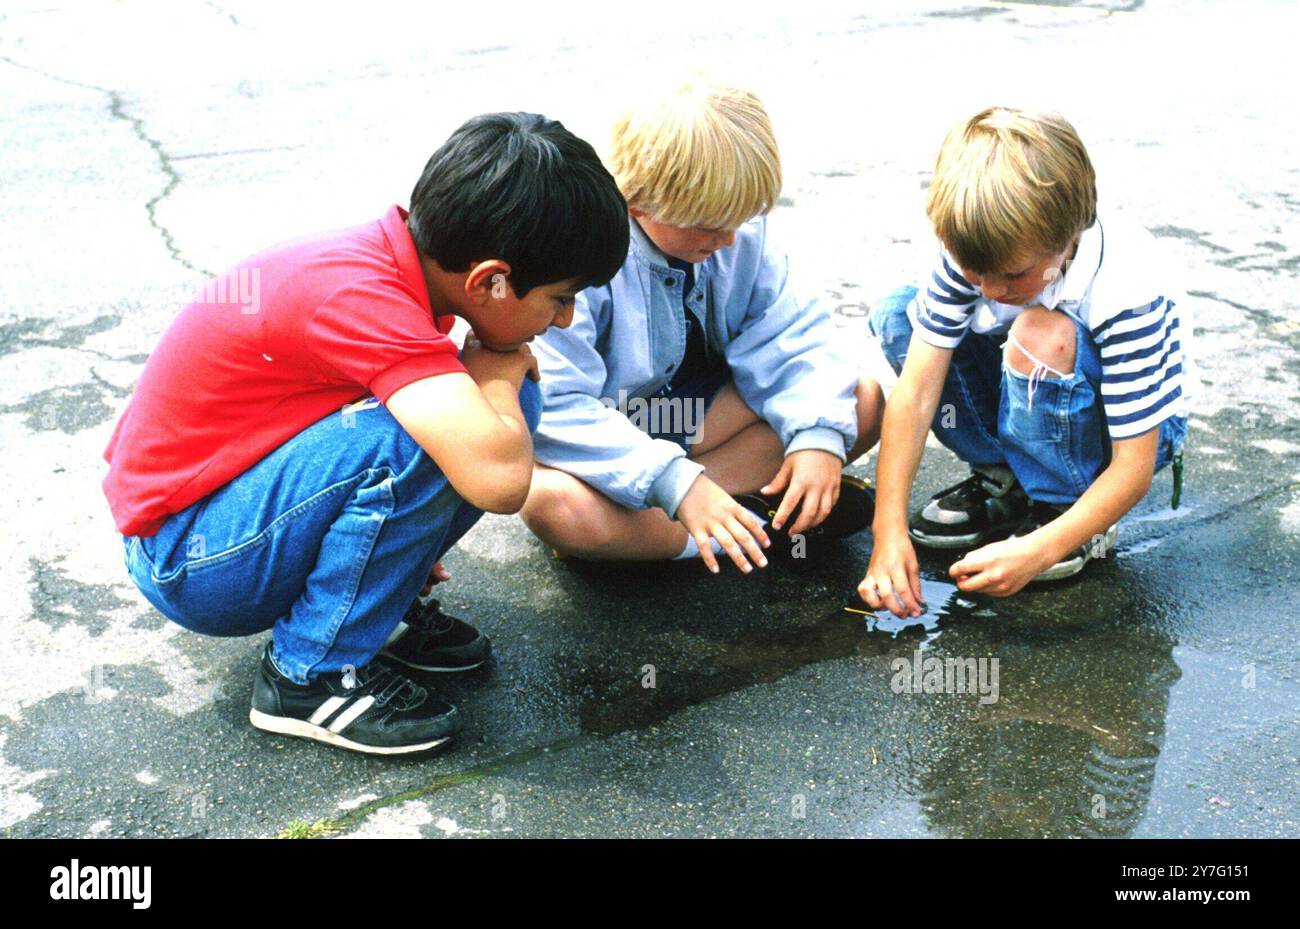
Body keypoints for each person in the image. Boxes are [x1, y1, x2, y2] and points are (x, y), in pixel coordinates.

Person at [102, 112, 629, 754]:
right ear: (489, 279)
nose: (567, 318)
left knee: (484, 414)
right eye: (561, 296)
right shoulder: (361, 295)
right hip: (189, 557)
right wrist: (491, 362)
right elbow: (499, 482)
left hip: (226, 514)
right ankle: (310, 673)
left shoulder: (396, 266)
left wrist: (389, 546)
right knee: (433, 439)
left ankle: (368, 611)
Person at [523, 79, 884, 575]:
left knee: (861, 402)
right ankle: (752, 526)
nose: (730, 238)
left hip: (701, 422)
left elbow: (796, 339)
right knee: (553, 505)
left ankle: (705, 524)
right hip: (617, 441)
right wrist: (675, 482)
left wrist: (817, 437)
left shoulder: (738, 235)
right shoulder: (581, 255)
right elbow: (554, 406)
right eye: (709, 226)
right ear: (637, 201)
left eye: (740, 219)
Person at [859, 106, 1190, 617]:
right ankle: (1007, 478)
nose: (992, 290)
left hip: (1132, 431)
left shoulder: (1127, 291)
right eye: (975, 271)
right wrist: (888, 532)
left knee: (1040, 331)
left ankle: (1064, 506)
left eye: (1012, 276)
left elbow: (1134, 466)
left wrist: (1041, 549)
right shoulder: (983, 252)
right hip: (1045, 386)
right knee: (901, 316)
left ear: (1067, 237)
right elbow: (918, 393)